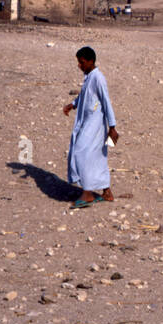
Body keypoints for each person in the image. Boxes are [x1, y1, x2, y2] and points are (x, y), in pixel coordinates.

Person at [62, 46, 119, 208]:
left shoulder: (98, 78)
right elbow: (85, 96)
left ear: (91, 61)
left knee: (81, 152)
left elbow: (106, 102)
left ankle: (87, 194)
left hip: (95, 125)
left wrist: (112, 127)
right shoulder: (89, 77)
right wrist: (72, 105)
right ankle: (107, 192)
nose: (79, 66)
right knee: (96, 157)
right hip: (87, 123)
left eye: (82, 63)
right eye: (79, 63)